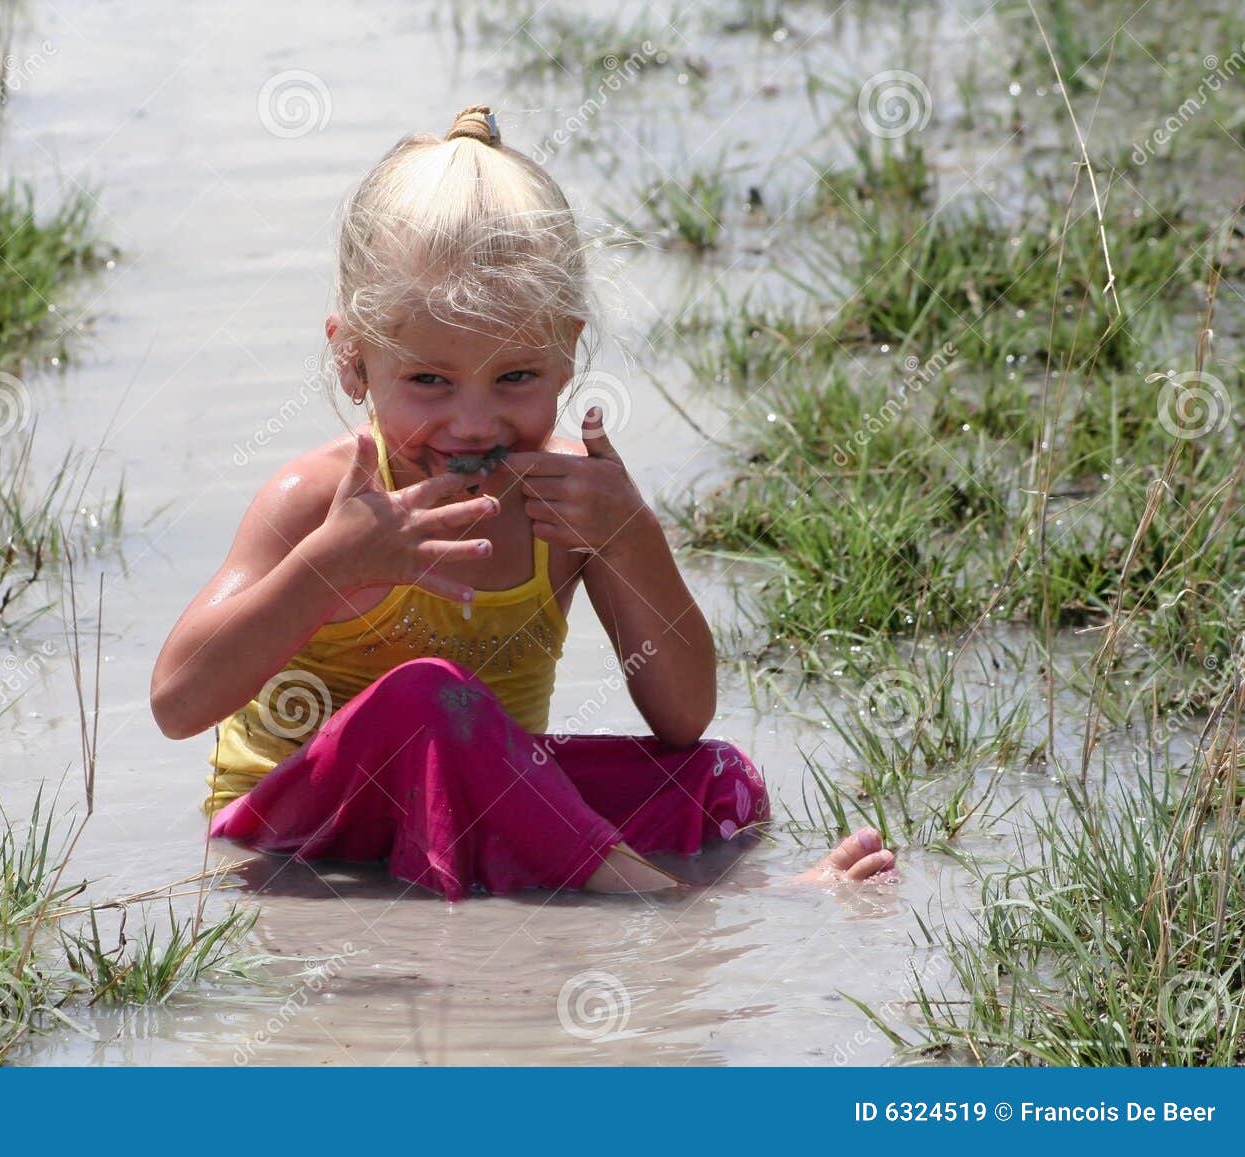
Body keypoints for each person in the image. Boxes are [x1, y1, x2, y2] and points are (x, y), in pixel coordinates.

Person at [149, 105, 897, 902]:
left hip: (491, 815)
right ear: (353, 358)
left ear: (568, 351)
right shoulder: (321, 503)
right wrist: (323, 571)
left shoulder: (568, 505)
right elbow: (175, 700)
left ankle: (571, 869)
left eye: (515, 378)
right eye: (429, 381)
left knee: (720, 782)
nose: (473, 423)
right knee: (427, 697)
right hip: (296, 835)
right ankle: (659, 896)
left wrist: (632, 536)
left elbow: (682, 716)